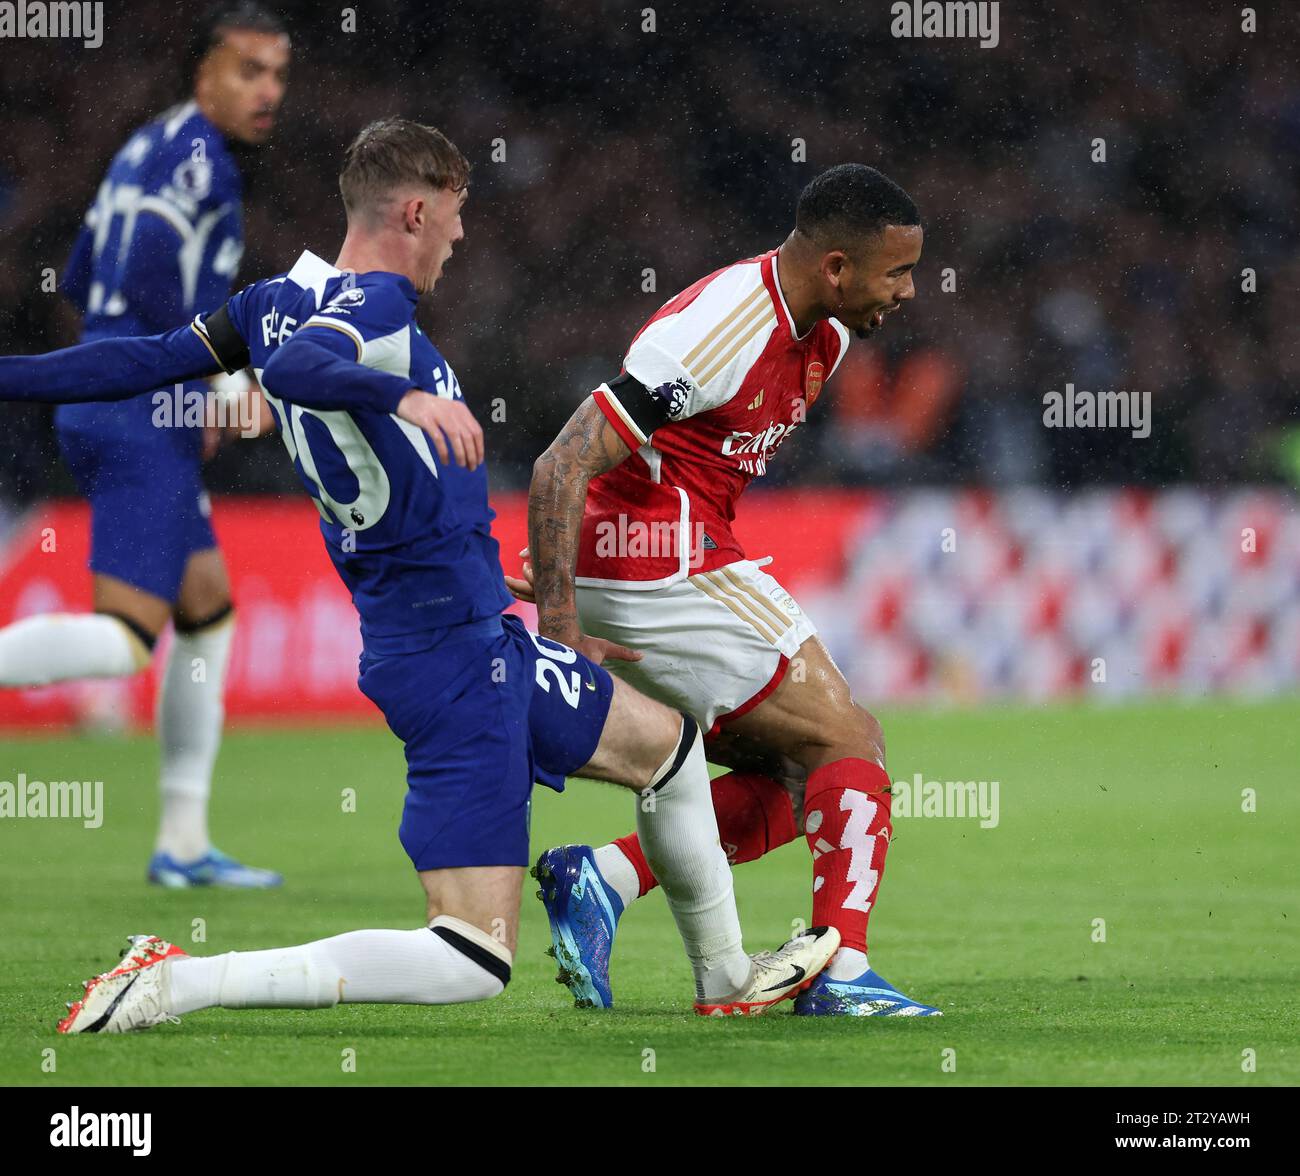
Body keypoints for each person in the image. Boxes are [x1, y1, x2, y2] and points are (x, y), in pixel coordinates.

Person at [0, 119, 838, 1032]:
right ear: (415, 208)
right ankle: (179, 980)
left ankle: (724, 981)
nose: (461, 234)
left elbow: (139, 360)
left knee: (670, 752)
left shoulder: (270, 302)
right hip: (449, 662)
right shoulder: (375, 311)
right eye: (456, 213)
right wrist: (400, 394)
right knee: (472, 955)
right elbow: (300, 367)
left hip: (476, 633)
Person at [513, 163, 941, 1016]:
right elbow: (561, 461)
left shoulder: (827, 333)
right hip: (658, 564)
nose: (910, 291)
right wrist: (562, 630)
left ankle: (601, 876)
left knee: (799, 769)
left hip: (658, 556)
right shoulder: (722, 329)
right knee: (848, 737)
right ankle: (842, 973)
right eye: (896, 272)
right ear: (836, 267)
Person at [0, 2, 291, 889]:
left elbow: (89, 276)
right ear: (204, 74)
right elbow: (161, 281)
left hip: (113, 392)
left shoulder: (147, 144)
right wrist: (221, 381)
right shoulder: (204, 167)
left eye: (278, 73)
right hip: (136, 408)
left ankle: (183, 843)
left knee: (207, 607)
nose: (267, 90)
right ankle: (181, 844)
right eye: (248, 70)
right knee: (129, 639)